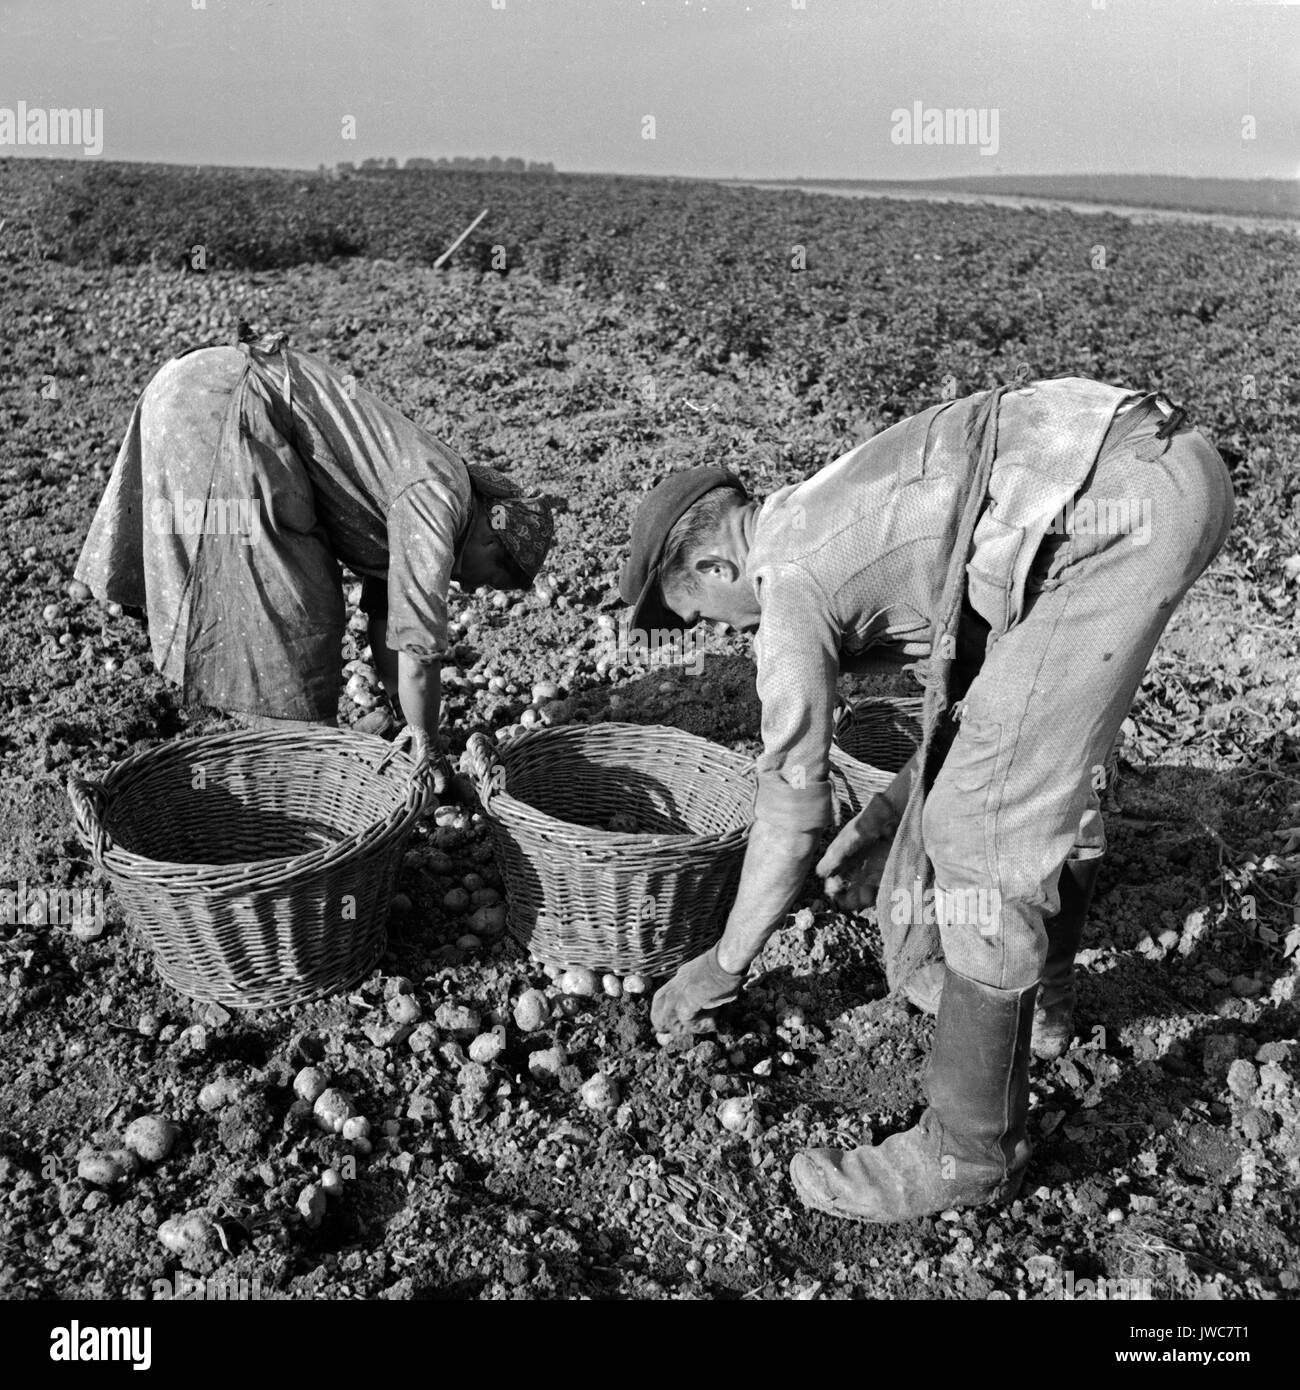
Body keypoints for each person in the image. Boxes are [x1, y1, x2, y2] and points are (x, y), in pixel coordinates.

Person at [618, 377, 1233, 1222]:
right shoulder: (818, 504)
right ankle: (1039, 1005)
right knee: (1028, 766)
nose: (731, 631)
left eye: (710, 614)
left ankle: (967, 1153)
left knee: (983, 825)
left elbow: (792, 816)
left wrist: (720, 967)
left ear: (720, 565)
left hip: (1114, 510)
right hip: (1143, 472)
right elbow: (975, 686)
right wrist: (886, 814)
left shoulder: (787, 584)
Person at [75, 326, 553, 783]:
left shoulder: (440, 493)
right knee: (290, 599)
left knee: (292, 589)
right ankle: (287, 755)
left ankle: (287, 745)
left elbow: (390, 619)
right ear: (493, 537)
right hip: (220, 405)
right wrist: (429, 748)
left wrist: (403, 720)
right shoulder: (437, 500)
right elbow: (418, 650)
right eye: (489, 578)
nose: (470, 588)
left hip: (200, 383)